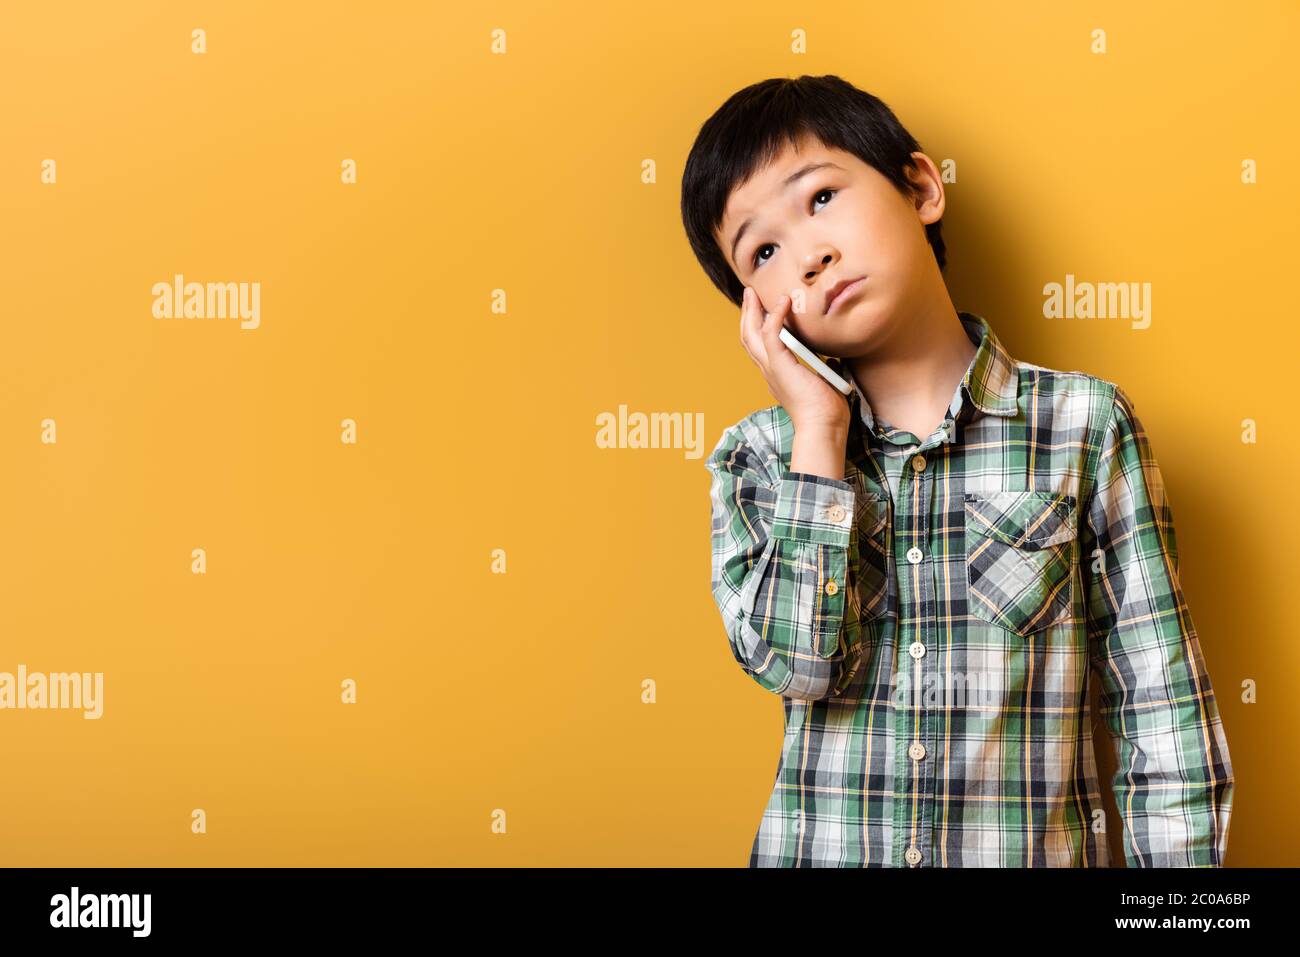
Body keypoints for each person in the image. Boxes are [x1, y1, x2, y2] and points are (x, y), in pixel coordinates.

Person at [681, 74, 1234, 867]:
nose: (808, 254)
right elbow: (793, 664)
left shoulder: (1083, 426)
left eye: (821, 198)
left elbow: (1161, 704)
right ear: (756, 312)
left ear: (920, 186)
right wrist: (819, 429)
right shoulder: (759, 457)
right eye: (762, 252)